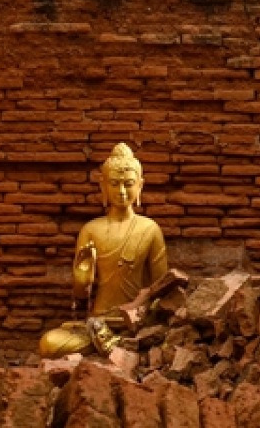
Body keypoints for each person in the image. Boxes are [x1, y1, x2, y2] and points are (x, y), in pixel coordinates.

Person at [38, 143, 168, 358]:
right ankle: (116, 346)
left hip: (136, 325)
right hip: (98, 322)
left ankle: (120, 344)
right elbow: (81, 296)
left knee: (161, 337)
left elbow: (163, 286)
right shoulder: (91, 230)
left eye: (128, 184)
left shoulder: (150, 229)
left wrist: (143, 316)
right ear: (103, 187)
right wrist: (82, 278)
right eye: (114, 184)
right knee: (49, 343)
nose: (122, 191)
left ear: (140, 186)